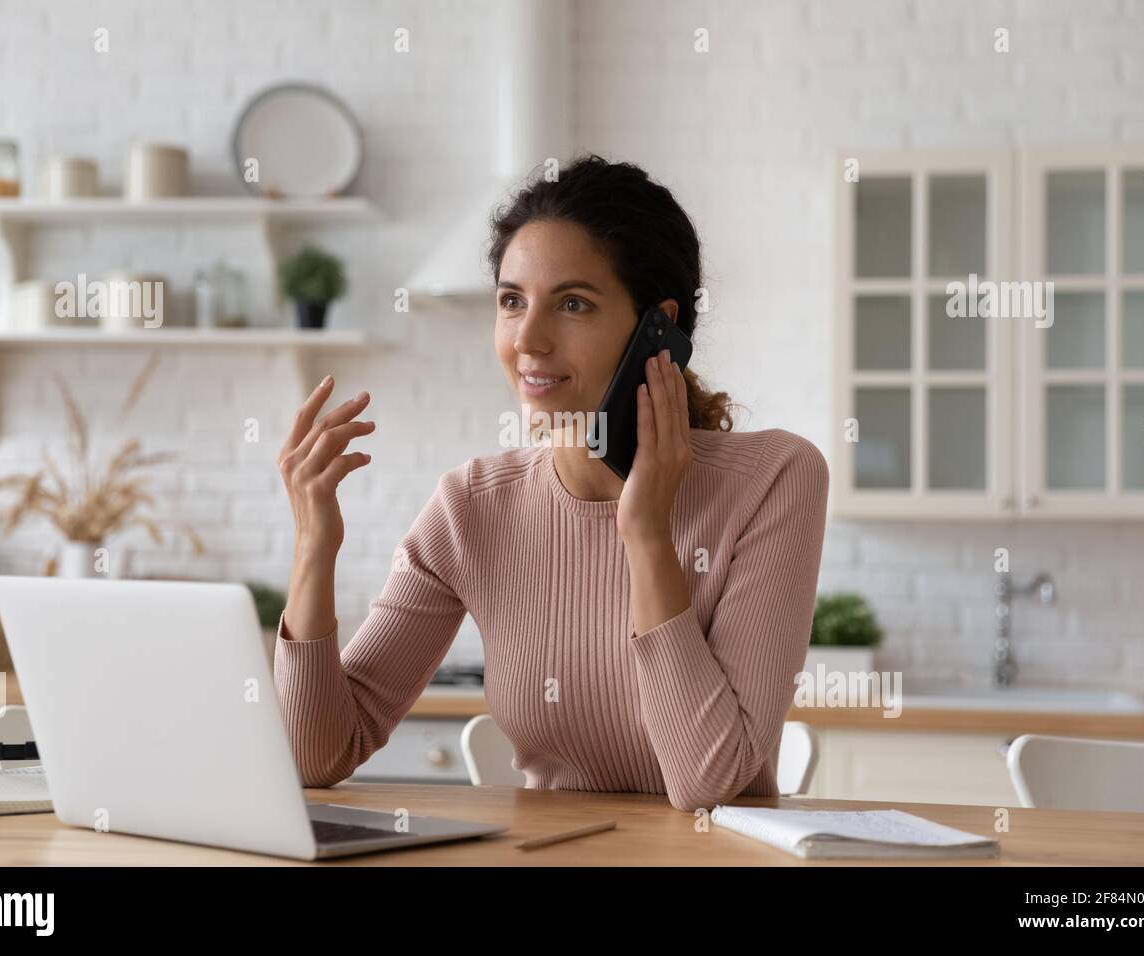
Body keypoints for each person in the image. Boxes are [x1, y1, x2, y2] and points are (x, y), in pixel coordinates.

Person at [273, 154, 829, 811]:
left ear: (660, 327)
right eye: (512, 302)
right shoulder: (471, 505)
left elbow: (710, 783)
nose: (528, 340)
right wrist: (314, 548)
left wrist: (646, 532)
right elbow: (315, 758)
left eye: (573, 303)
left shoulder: (774, 480)